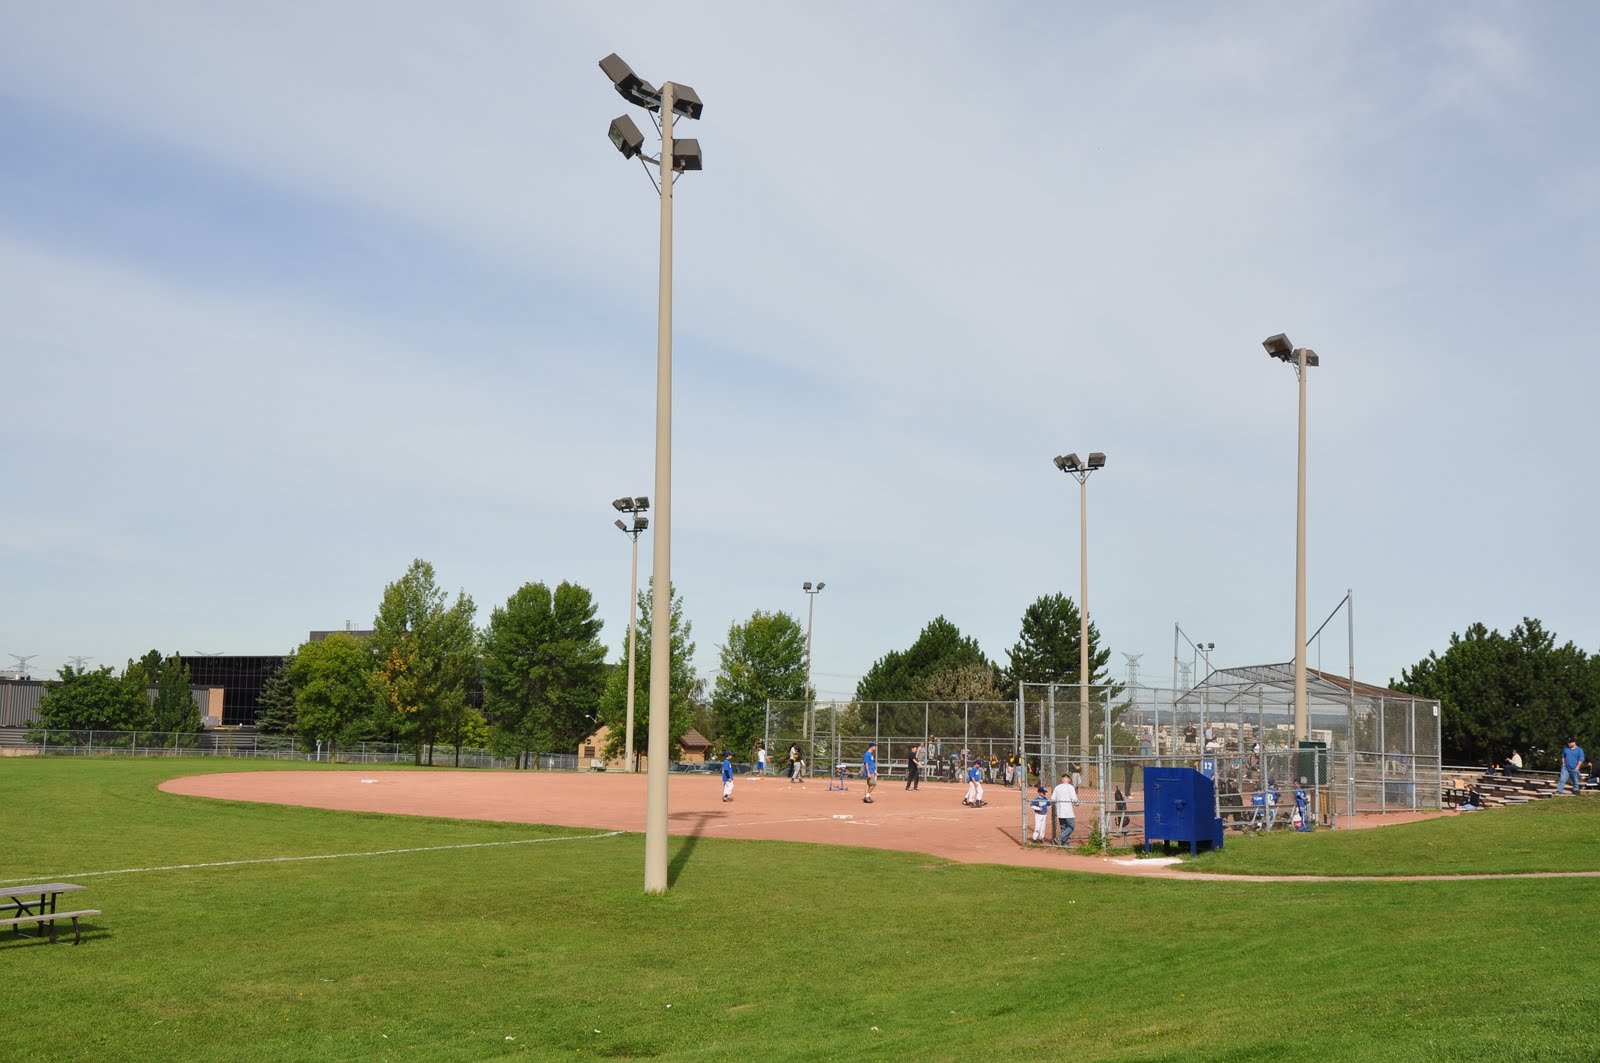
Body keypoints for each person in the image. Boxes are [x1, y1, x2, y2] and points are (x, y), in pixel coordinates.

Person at [1050, 773, 1079, 845]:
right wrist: (1076, 803)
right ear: (1069, 780)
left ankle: (1065, 844)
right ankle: (1060, 838)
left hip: (1060, 811)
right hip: (1068, 811)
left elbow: (1053, 798)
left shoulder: (1057, 787)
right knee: (1071, 826)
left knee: (1064, 827)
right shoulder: (1070, 787)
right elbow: (1074, 798)